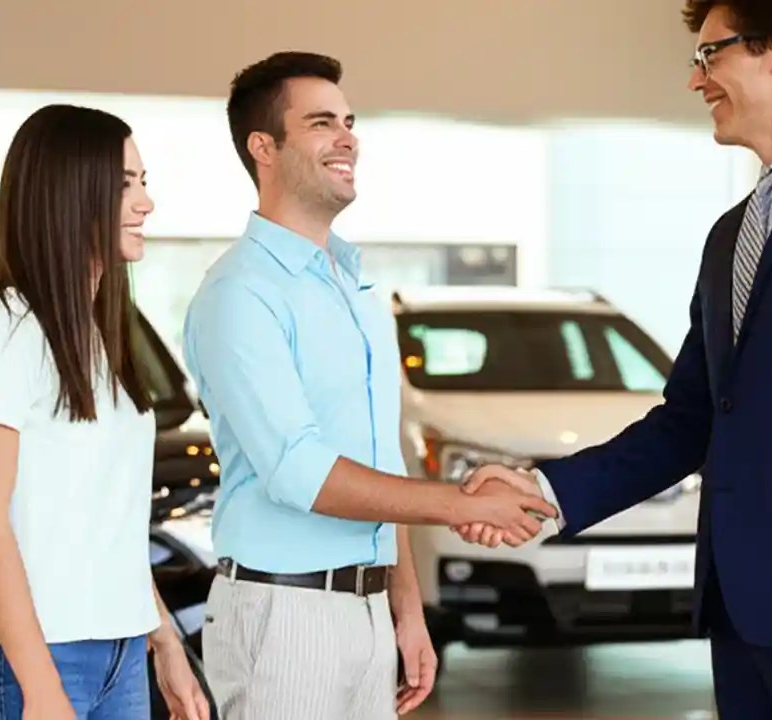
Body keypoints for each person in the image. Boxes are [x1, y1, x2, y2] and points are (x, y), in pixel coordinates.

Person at [458, 1, 772, 717]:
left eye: (710, 55)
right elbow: (688, 421)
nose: (697, 81)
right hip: (740, 613)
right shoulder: (731, 233)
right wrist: (547, 491)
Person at [179, 51, 557, 719]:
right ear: (263, 147)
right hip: (283, 612)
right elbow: (300, 471)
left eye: (350, 120)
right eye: (322, 122)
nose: (348, 137)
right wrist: (460, 504)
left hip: (366, 609)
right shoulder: (240, 293)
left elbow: (382, 462)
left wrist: (405, 607)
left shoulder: (354, 286)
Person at [0, 104, 211, 720]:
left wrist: (163, 640)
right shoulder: (2, 331)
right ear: (68, 193)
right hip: (34, 658)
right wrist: (41, 689)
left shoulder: (98, 337)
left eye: (144, 183)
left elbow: (109, 523)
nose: (145, 203)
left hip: (120, 652)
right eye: (125, 184)